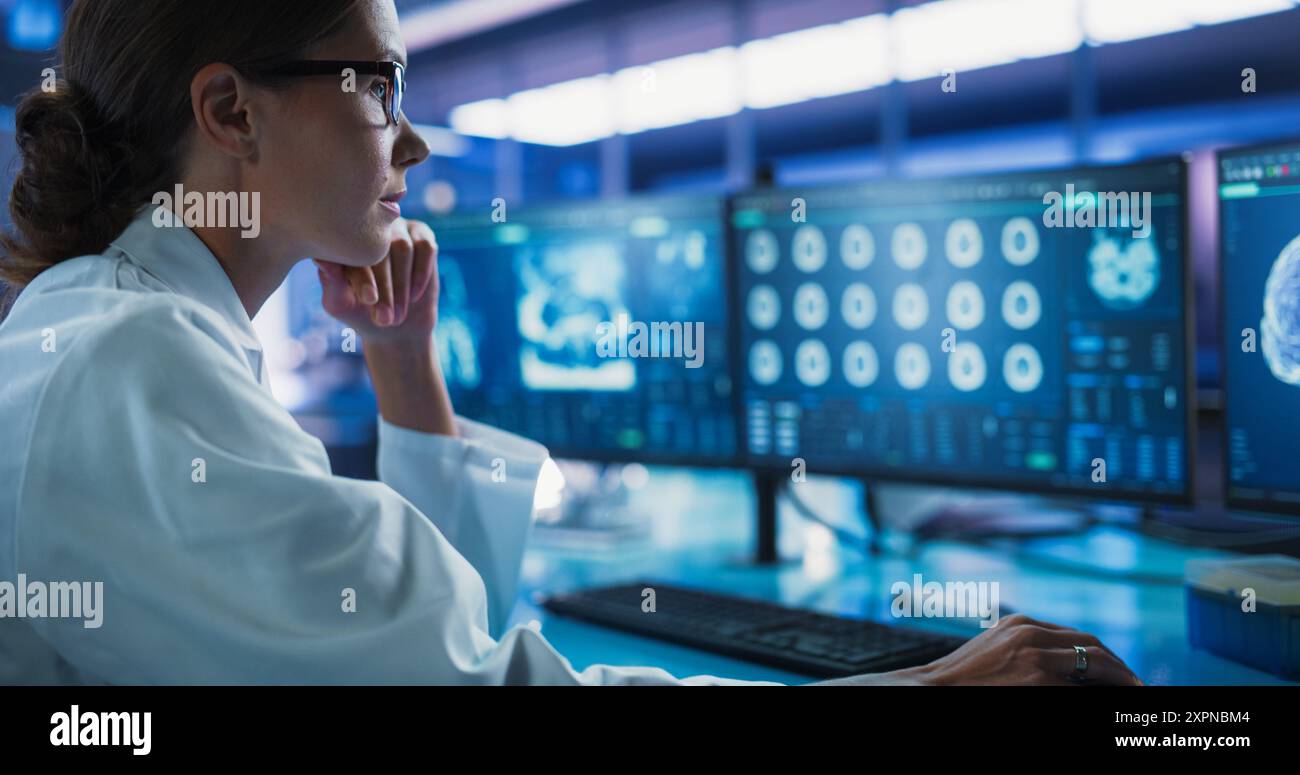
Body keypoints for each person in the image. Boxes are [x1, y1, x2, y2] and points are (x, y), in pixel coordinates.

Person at [0, 0, 1140, 686]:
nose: (415, 145)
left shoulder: (134, 331)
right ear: (232, 112)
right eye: (380, 86)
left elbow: (405, 634)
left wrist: (404, 364)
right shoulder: (130, 368)